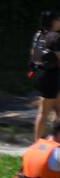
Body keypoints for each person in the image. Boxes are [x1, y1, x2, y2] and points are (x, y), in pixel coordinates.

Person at [28, 11, 60, 141]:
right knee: (44, 111)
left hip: (40, 74)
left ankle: (55, 139)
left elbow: (33, 54)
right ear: (53, 22)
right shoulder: (56, 37)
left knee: (58, 110)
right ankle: (37, 145)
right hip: (52, 77)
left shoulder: (39, 34)